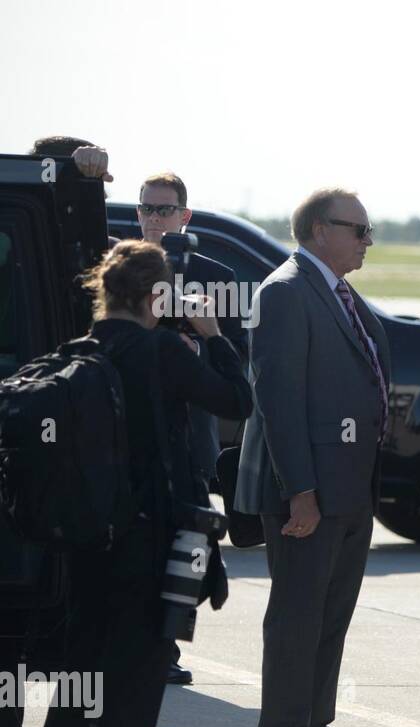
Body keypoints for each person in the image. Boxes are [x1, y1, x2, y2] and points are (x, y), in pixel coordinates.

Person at [19, 241, 251, 727]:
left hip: (85, 543)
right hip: (148, 544)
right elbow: (238, 402)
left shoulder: (77, 351)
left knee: (81, 677)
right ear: (156, 296)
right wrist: (215, 334)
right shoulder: (162, 351)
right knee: (132, 688)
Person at [233, 188, 390, 727]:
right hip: (309, 493)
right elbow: (278, 400)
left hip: (348, 488)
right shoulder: (286, 292)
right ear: (320, 230)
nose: (366, 241)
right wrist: (299, 489)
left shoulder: (337, 292)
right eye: (359, 230)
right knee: (299, 616)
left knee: (331, 616)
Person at [1, 135, 115, 727]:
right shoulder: (22, 240)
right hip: (29, 452)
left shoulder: (32, 238)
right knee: (23, 616)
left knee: (20, 620)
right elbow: (91, 293)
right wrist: (78, 187)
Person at [136, 170, 250, 687]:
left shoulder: (214, 275)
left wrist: (199, 347)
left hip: (192, 422)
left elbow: (237, 355)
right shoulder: (118, 269)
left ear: (185, 215)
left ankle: (170, 647)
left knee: (187, 535)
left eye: (164, 210)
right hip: (131, 421)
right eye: (147, 209)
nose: (155, 219)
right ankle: (132, 638)